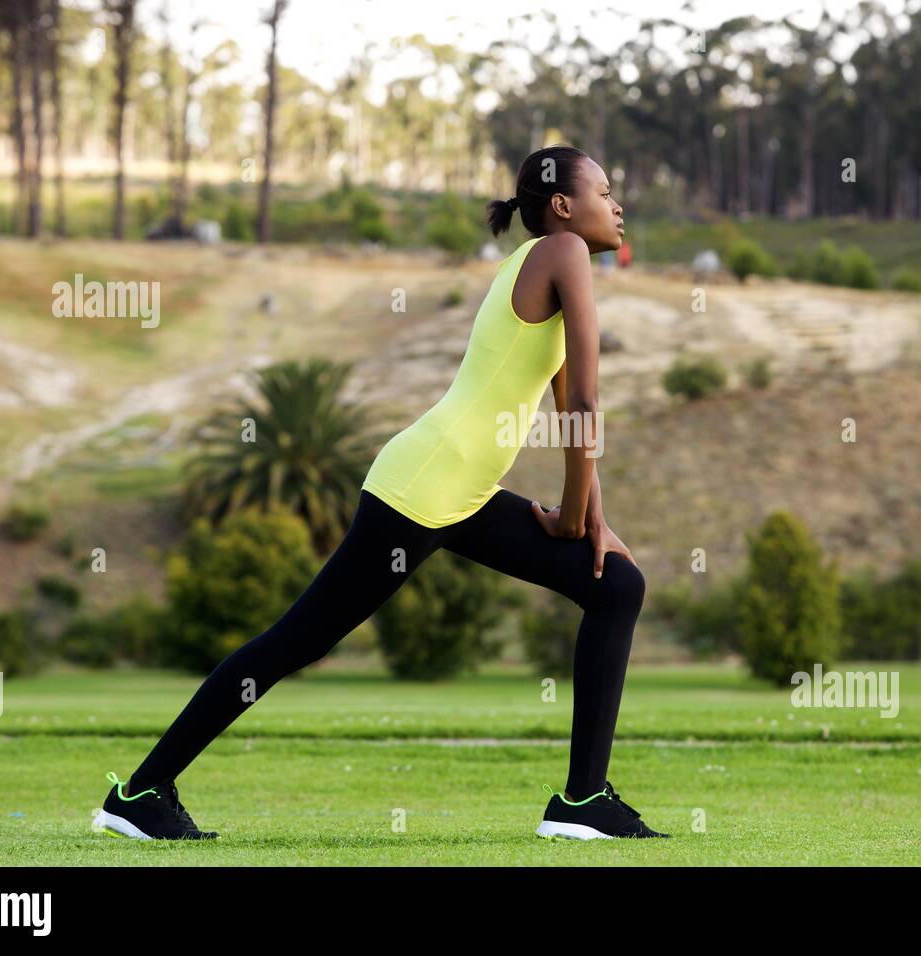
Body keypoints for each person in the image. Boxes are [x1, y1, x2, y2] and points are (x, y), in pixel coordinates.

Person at [92, 144, 668, 842]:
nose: (619, 205)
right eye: (606, 192)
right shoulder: (564, 254)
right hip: (423, 487)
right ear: (564, 207)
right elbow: (584, 398)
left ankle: (582, 803)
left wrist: (594, 523)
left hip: (461, 491)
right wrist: (572, 517)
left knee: (616, 585)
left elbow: (564, 404)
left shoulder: (548, 264)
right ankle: (141, 792)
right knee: (293, 642)